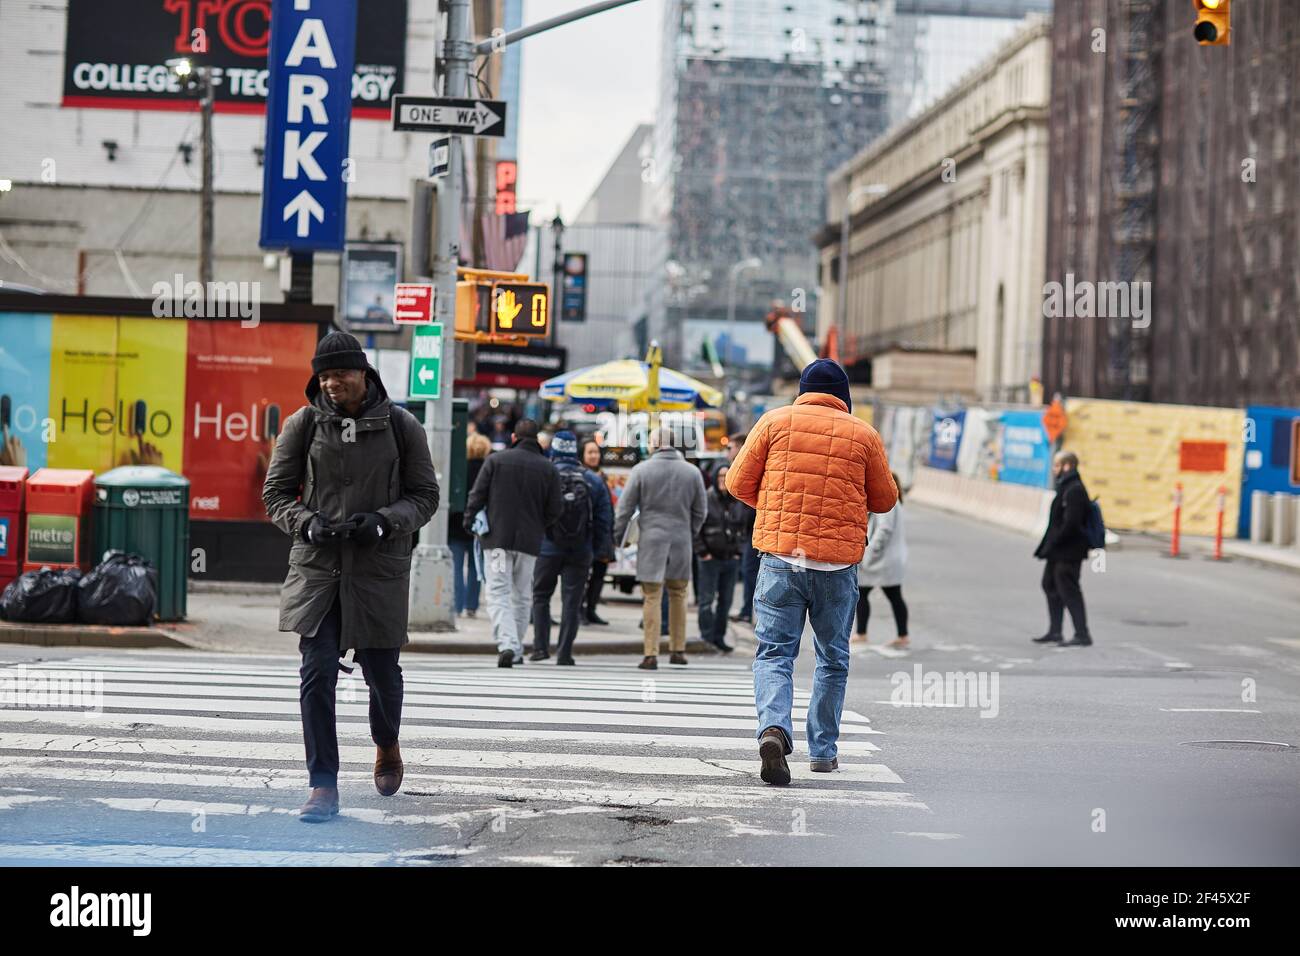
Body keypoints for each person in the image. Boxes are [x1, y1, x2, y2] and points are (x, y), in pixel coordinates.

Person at [263, 331, 439, 823]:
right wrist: (307, 522)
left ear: (364, 374)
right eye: (323, 374)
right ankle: (323, 785)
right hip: (318, 572)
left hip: (378, 570)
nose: (331, 382)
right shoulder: (302, 424)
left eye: (340, 373)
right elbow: (275, 494)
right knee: (316, 674)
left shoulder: (402, 426)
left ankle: (386, 743)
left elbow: (425, 496)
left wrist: (383, 521)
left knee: (383, 674)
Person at [727, 359, 896, 784]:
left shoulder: (773, 421)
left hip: (781, 560)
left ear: (802, 389)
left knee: (774, 653)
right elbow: (885, 499)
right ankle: (822, 752)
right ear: (844, 396)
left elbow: (736, 483)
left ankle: (773, 729)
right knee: (833, 659)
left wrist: (774, 508)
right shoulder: (864, 434)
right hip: (837, 567)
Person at [464, 418, 563, 668]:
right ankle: (516, 647)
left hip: (496, 539)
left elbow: (477, 495)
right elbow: (555, 509)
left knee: (498, 592)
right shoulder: (548, 468)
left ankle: (508, 644)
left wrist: (469, 521)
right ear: (538, 440)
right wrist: (541, 526)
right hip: (529, 542)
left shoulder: (495, 461)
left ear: (513, 438)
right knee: (522, 595)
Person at [614, 424, 707, 670]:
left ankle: (650, 653)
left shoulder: (641, 470)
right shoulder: (692, 472)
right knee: (679, 595)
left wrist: (617, 537)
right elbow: (701, 511)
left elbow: (624, 509)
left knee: (651, 596)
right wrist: (688, 531)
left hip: (651, 541)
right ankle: (678, 649)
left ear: (654, 445)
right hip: (681, 540)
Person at [530, 431, 614, 664]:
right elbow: (604, 518)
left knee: (540, 596)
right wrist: (597, 550)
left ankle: (540, 648)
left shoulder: (545, 474)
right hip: (580, 549)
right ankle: (564, 653)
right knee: (572, 601)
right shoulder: (593, 480)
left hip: (547, 546)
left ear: (554, 451)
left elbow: (533, 512)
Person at [1033, 450, 1093, 647]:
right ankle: (1055, 631)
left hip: (1069, 551)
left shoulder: (1074, 489)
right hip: (1058, 550)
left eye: (1057, 465)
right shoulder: (1066, 486)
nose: (1054, 469)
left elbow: (1072, 523)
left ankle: (1082, 634)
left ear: (1067, 466)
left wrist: (1055, 541)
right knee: (1049, 585)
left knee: (1069, 590)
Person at [694, 463, 745, 653]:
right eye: (720, 477)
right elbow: (696, 528)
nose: (723, 481)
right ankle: (706, 637)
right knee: (706, 601)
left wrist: (738, 551)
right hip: (710, 559)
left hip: (730, 559)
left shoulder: (735, 500)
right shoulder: (706, 498)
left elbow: (742, 526)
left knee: (726, 601)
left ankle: (719, 637)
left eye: (727, 476)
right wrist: (702, 552)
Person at [854, 473, 909, 650]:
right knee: (892, 596)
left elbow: (884, 530)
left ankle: (862, 633)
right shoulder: (896, 503)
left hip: (881, 560)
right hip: (889, 559)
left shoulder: (889, 504)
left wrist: (869, 551)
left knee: (863, 592)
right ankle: (902, 635)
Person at [449, 433, 491, 618]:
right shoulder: (488, 469)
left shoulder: (459, 468)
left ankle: (457, 606)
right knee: (476, 567)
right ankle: (471, 606)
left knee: (456, 568)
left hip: (456, 525)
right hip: (479, 526)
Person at [581, 439, 616, 626]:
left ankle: (591, 609)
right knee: (583, 574)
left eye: (596, 452)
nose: (594, 456)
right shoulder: (581, 475)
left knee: (599, 573)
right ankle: (579, 609)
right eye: (590, 452)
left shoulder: (603, 476)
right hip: (586, 533)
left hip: (603, 533)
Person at [727, 432, 760, 625]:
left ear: (740, 447)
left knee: (750, 573)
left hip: (753, 530)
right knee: (748, 573)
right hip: (748, 529)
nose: (728, 452)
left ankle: (748, 611)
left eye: (730, 447)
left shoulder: (746, 465)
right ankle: (747, 610)